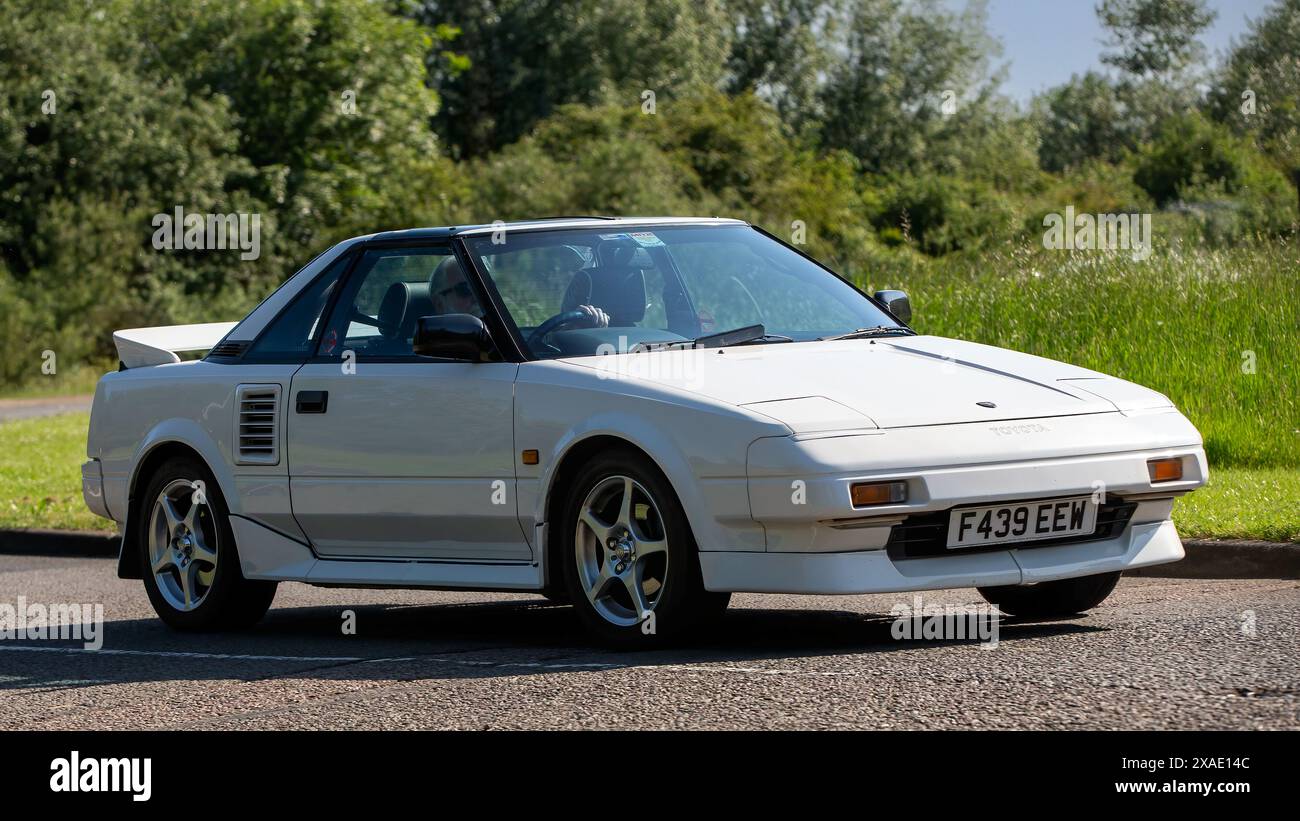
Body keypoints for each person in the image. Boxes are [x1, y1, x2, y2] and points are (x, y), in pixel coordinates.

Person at [430, 257, 609, 328]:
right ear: (440, 303)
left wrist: (575, 331)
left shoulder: (507, 334)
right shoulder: (430, 350)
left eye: (487, 288)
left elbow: (531, 349)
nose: (479, 298)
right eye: (466, 290)